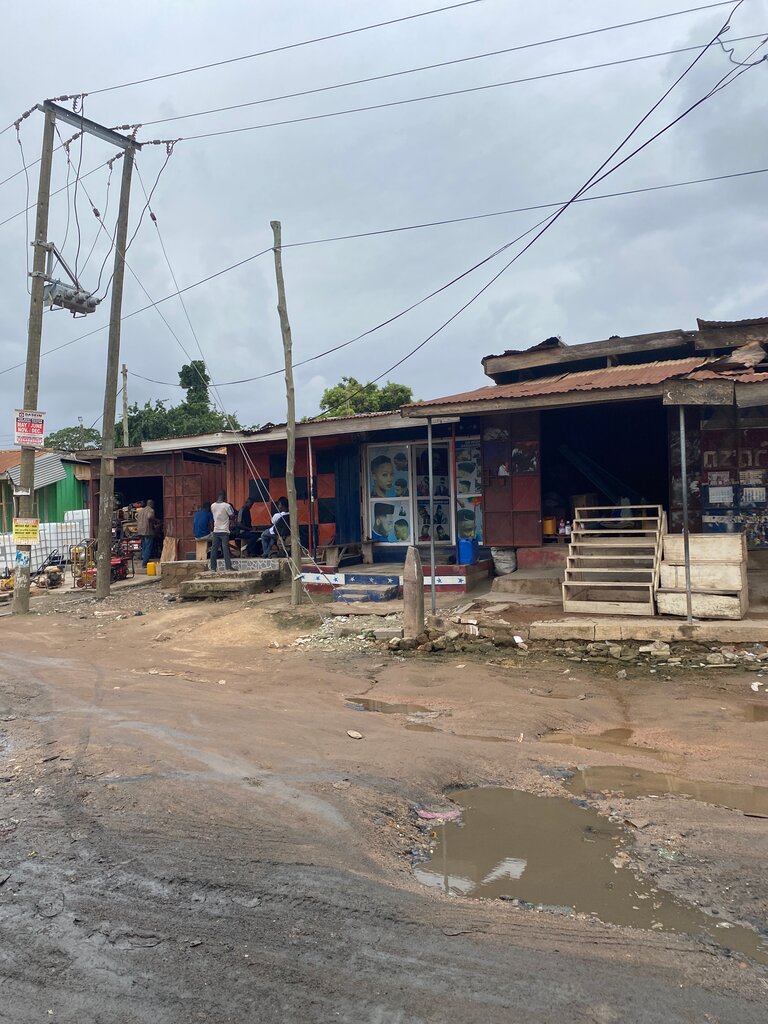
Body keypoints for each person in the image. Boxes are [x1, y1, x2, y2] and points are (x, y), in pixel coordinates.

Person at [210, 490, 235, 571]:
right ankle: (228, 567)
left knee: (214, 549)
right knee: (225, 549)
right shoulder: (226, 506)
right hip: (224, 531)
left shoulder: (212, 505)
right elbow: (232, 516)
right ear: (224, 496)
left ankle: (213, 568)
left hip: (216, 530)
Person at [135, 499, 156, 568]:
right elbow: (150, 517)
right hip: (148, 531)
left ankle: (143, 557)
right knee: (148, 547)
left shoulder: (141, 510)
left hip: (140, 531)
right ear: (151, 504)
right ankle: (144, 563)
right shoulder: (151, 510)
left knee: (143, 545)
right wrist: (154, 522)